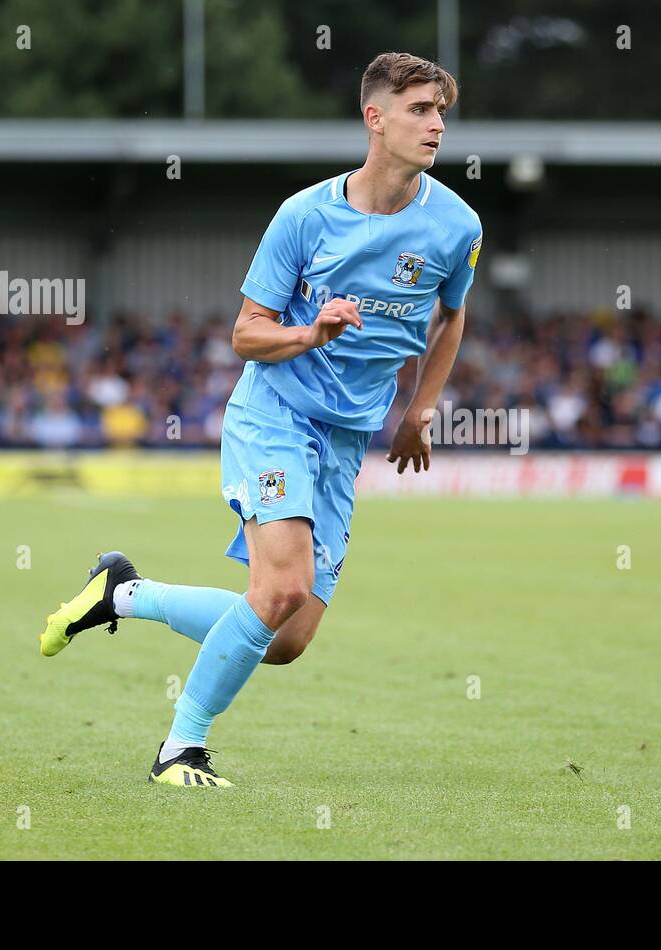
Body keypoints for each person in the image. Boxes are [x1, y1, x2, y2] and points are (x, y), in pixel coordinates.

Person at [36, 52, 482, 788]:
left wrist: (421, 407)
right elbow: (246, 333)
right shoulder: (304, 216)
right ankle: (180, 751)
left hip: (346, 441)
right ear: (376, 118)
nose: (436, 124)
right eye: (420, 109)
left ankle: (120, 593)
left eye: (441, 111)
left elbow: (453, 317)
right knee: (278, 594)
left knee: (285, 636)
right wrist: (311, 335)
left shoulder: (456, 225)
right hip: (275, 413)